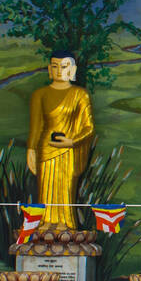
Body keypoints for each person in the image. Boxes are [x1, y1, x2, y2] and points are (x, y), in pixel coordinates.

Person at [27, 51, 95, 230]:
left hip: (68, 151)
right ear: (49, 69)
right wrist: (31, 150)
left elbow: (89, 128)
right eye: (55, 66)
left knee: (65, 188)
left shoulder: (80, 94)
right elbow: (36, 126)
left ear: (72, 69)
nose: (59, 71)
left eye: (64, 66)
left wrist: (71, 142)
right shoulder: (40, 94)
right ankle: (45, 222)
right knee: (46, 189)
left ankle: (65, 223)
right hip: (46, 148)